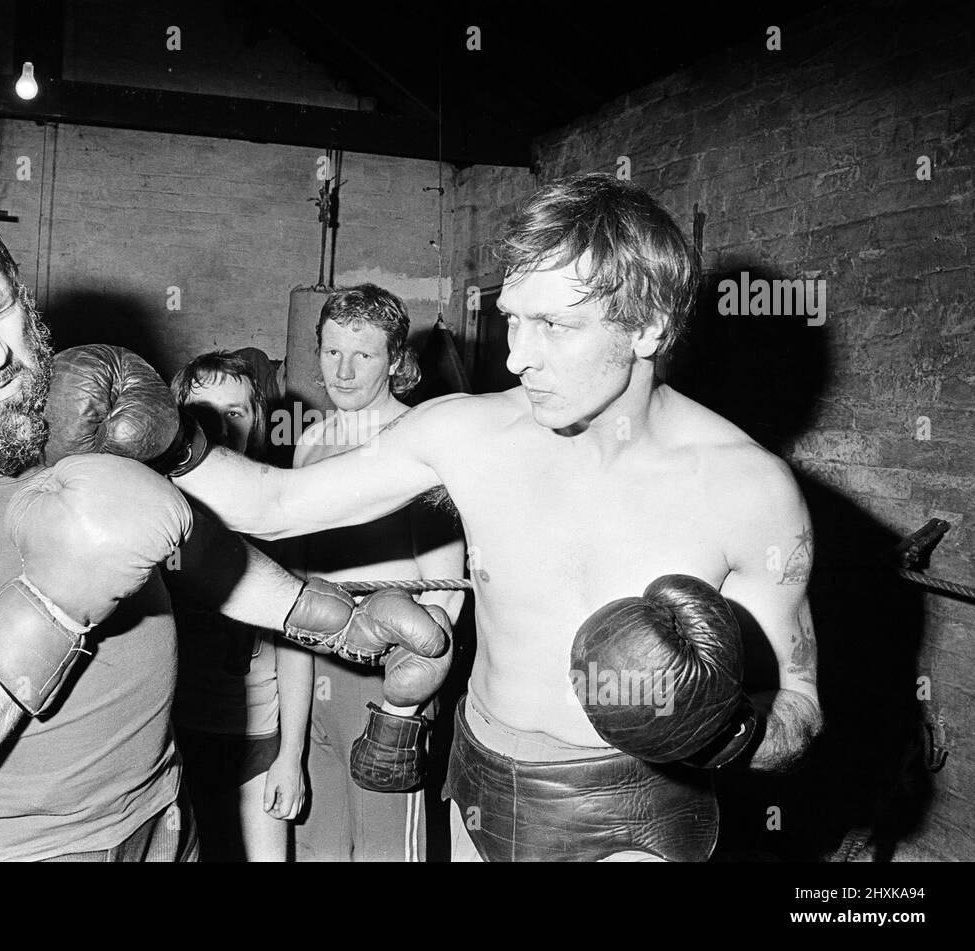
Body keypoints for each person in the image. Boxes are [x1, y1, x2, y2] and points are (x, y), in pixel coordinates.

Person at [0, 173, 452, 862]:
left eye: (1, 312)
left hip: (160, 820)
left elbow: (200, 534)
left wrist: (330, 614)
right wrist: (52, 607)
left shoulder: (68, 397)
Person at [172, 173, 825, 861]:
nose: (516, 354)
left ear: (650, 325)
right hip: (480, 783)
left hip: (631, 810)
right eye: (514, 316)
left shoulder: (747, 489)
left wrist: (716, 729)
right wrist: (169, 441)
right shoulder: (467, 432)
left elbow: (800, 704)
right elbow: (274, 505)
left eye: (554, 324)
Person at [290, 285, 465, 862]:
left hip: (391, 677)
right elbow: (295, 592)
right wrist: (289, 743)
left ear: (395, 360)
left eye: (362, 355)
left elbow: (446, 597)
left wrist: (401, 708)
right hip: (316, 668)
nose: (341, 371)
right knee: (319, 849)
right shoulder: (312, 441)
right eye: (331, 351)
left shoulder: (423, 444)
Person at [167, 350, 313, 861]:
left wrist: (290, 755)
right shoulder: (156, 509)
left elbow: (298, 644)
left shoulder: (278, 515)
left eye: (236, 412)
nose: (222, 428)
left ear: (257, 421)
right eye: (204, 414)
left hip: (255, 734)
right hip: (173, 739)